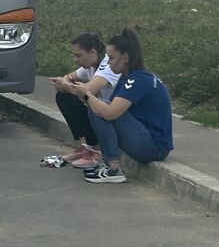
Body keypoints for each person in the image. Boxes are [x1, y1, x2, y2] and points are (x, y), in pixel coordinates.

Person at [67, 28, 174, 185]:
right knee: (97, 106)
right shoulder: (128, 78)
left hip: (153, 146)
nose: (108, 63)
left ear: (125, 57)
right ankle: (109, 162)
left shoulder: (139, 80)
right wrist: (87, 97)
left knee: (101, 107)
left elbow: (110, 114)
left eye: (111, 58)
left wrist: (86, 94)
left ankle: (113, 167)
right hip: (145, 137)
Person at [42, 33, 120, 169]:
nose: (75, 60)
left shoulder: (107, 66)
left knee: (87, 99)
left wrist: (67, 85)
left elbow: (88, 90)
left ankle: (96, 151)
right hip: (104, 113)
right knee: (64, 96)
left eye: (78, 55)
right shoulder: (90, 65)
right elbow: (70, 77)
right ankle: (86, 147)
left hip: (115, 115)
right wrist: (64, 82)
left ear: (92, 53)